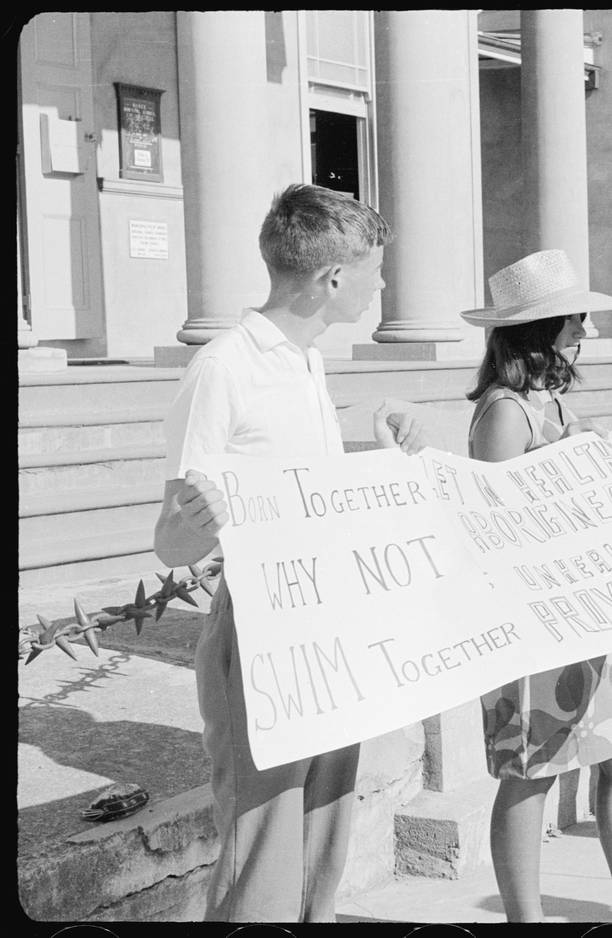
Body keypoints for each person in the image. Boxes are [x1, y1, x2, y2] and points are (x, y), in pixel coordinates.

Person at [153, 184, 429, 921]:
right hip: (262, 634)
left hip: (327, 629)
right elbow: (169, 541)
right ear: (332, 280)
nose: (382, 286)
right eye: (375, 270)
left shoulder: (305, 363)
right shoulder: (224, 367)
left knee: (322, 844)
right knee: (264, 858)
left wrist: (380, 454)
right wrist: (203, 519)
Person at [461, 249, 612, 923]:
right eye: (573, 317)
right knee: (532, 773)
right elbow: (486, 523)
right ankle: (526, 920)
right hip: (531, 618)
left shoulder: (548, 402)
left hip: (579, 611)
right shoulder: (505, 412)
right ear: (540, 329)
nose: (583, 329)